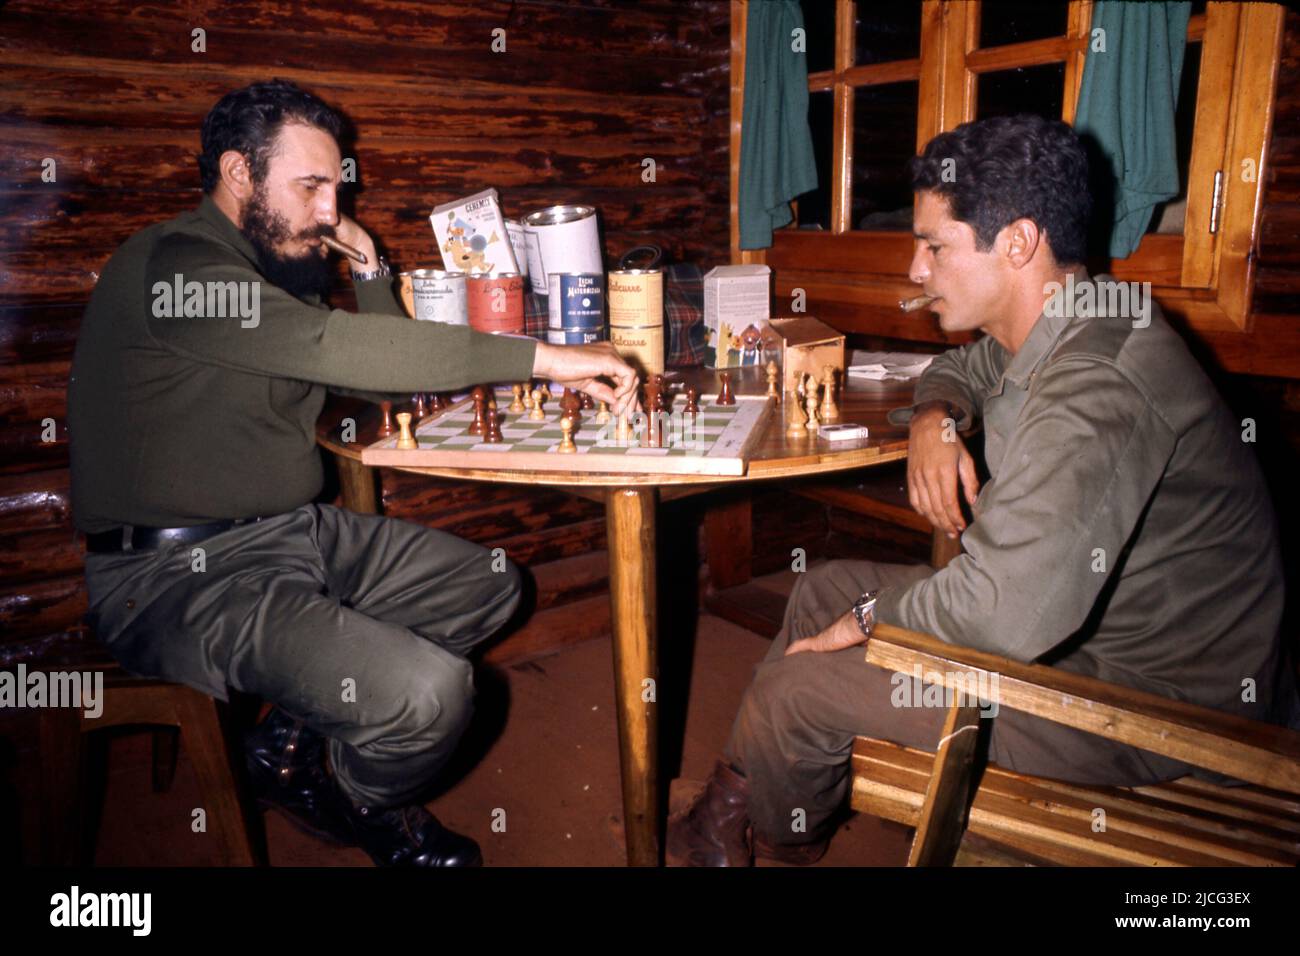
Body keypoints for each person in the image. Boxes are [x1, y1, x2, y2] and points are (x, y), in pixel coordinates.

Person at [668, 113, 1298, 866]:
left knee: (794, 691)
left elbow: (1000, 615)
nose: (915, 270)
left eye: (935, 246)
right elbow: (964, 371)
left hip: (1152, 703)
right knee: (818, 594)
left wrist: (869, 619)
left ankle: (770, 839)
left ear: (1019, 243)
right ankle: (749, 806)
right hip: (1080, 635)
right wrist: (936, 417)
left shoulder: (1097, 388)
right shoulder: (1083, 312)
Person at [68, 79, 639, 867]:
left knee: (491, 583)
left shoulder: (270, 275)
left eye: (337, 187)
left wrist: (370, 270)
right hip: (172, 575)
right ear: (238, 175)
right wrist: (547, 356)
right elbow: (330, 350)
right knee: (430, 694)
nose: (332, 210)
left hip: (291, 535)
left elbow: (377, 380)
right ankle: (365, 798)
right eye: (311, 186)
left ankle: (292, 752)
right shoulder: (179, 271)